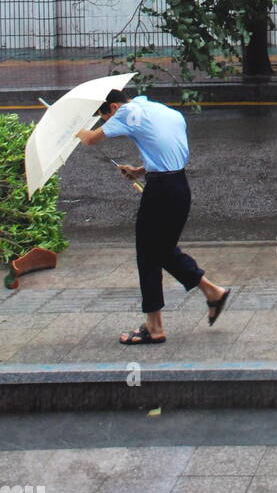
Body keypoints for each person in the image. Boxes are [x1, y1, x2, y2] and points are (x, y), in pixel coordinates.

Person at [75, 89, 229, 346]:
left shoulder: (124, 112)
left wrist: (72, 131)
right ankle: (212, 291)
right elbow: (167, 146)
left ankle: (154, 327)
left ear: (112, 108)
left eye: (104, 118)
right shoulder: (161, 109)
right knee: (162, 251)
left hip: (161, 191)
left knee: (148, 254)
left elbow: (90, 139)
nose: (106, 124)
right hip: (179, 185)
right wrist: (140, 170)